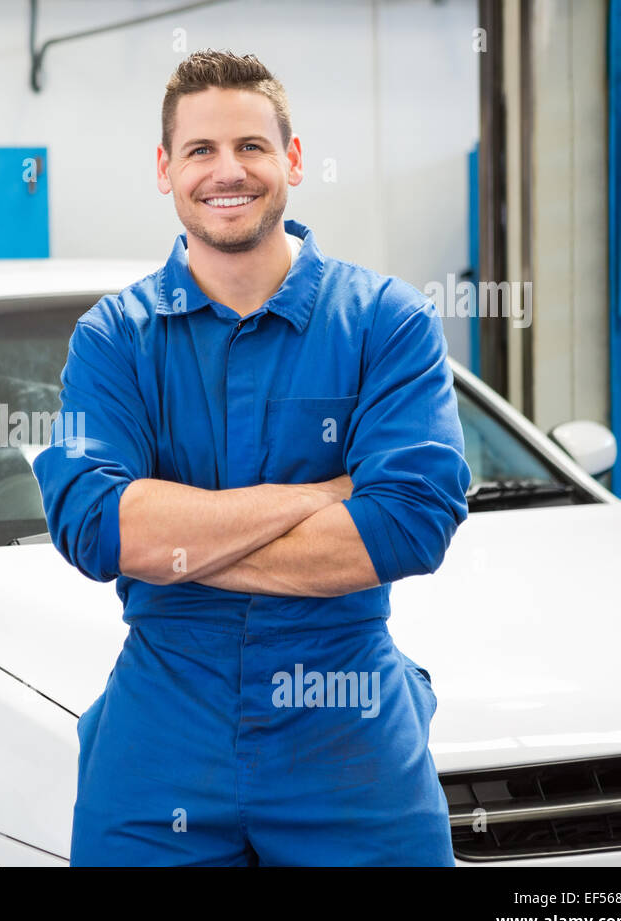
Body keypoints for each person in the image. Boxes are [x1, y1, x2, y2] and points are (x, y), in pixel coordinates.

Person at [32, 49, 471, 866]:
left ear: (292, 160)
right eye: (200, 150)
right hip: (164, 728)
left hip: (347, 728)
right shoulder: (115, 338)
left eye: (252, 147)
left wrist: (176, 544)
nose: (226, 170)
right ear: (165, 170)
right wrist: (317, 497)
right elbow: (97, 529)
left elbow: (408, 524)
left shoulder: (384, 321)